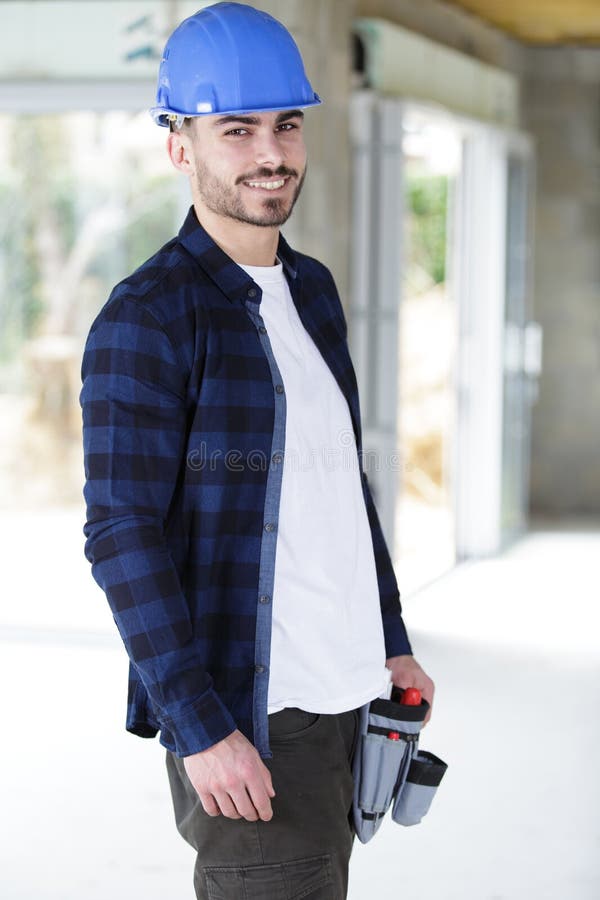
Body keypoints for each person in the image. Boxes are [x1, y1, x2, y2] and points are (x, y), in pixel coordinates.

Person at [80, 3, 434, 898]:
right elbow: (122, 533)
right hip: (255, 717)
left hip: (346, 697)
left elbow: (339, 487)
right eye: (235, 130)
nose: (270, 152)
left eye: (285, 124)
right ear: (180, 147)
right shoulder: (149, 316)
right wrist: (200, 727)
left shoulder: (309, 290)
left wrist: (388, 640)